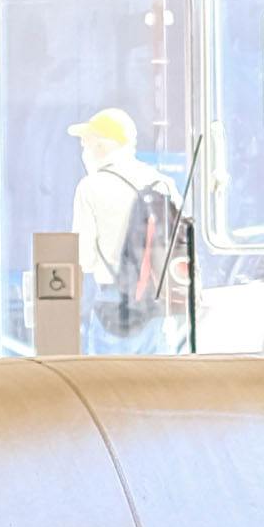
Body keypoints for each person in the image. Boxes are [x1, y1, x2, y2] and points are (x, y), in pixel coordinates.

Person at [73, 106, 191, 348]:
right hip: (158, 304)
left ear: (102, 146)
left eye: (86, 143)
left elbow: (83, 258)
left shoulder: (90, 187)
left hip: (115, 303)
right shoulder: (163, 183)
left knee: (107, 383)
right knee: (153, 382)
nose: (84, 150)